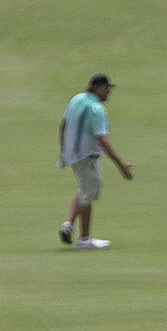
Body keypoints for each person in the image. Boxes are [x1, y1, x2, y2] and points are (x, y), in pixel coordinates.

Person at [57, 74, 134, 249]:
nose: (108, 92)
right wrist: (121, 165)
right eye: (106, 88)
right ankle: (85, 239)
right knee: (88, 194)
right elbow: (103, 140)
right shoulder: (96, 109)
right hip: (86, 157)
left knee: (84, 189)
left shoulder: (76, 99)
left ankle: (69, 224)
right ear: (96, 88)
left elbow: (63, 125)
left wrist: (63, 153)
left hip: (73, 156)